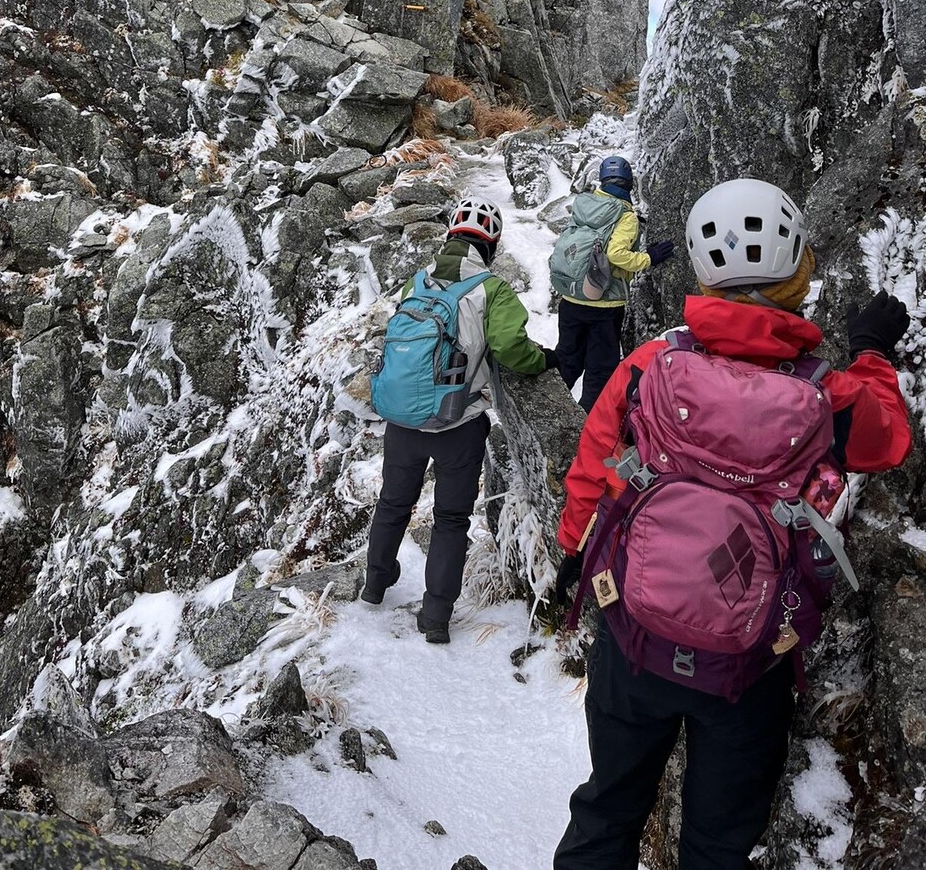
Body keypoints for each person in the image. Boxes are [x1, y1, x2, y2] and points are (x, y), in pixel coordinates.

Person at [552, 177, 912, 870]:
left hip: (633, 635)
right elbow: (886, 442)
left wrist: (576, 555)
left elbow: (593, 473)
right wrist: (871, 354)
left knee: (607, 808)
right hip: (751, 664)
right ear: (801, 268)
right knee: (717, 846)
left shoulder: (650, 366)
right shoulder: (825, 397)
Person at [362, 196, 556, 644]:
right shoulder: (492, 289)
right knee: (451, 519)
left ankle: (375, 584)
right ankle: (435, 617)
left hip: (404, 421)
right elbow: (510, 349)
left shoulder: (418, 281)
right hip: (458, 424)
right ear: (492, 243)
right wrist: (542, 362)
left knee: (392, 504)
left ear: (451, 235)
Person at [549, 155, 674, 413]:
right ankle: (585, 427)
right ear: (629, 185)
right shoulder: (624, 215)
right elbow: (616, 254)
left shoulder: (585, 204)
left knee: (568, 360)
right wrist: (649, 258)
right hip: (604, 304)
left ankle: (553, 413)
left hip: (572, 298)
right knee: (600, 368)